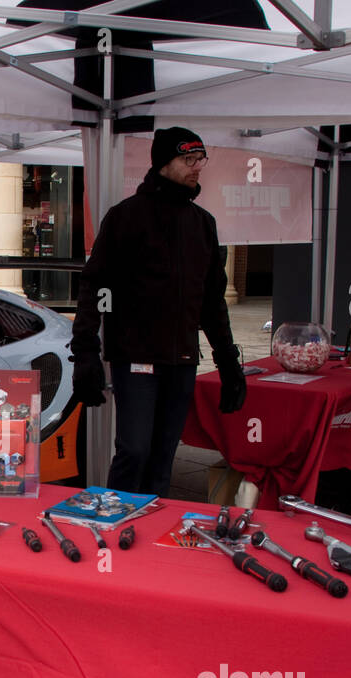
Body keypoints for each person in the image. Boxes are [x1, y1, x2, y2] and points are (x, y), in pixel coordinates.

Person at [70, 126, 247, 497]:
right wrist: (85, 351)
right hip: (136, 357)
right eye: (188, 159)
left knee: (163, 457)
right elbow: (94, 284)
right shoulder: (126, 217)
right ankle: (115, 520)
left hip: (181, 359)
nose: (197, 167)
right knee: (134, 450)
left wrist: (228, 361)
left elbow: (213, 299)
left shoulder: (203, 224)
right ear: (164, 163)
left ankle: (150, 536)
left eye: (200, 159)